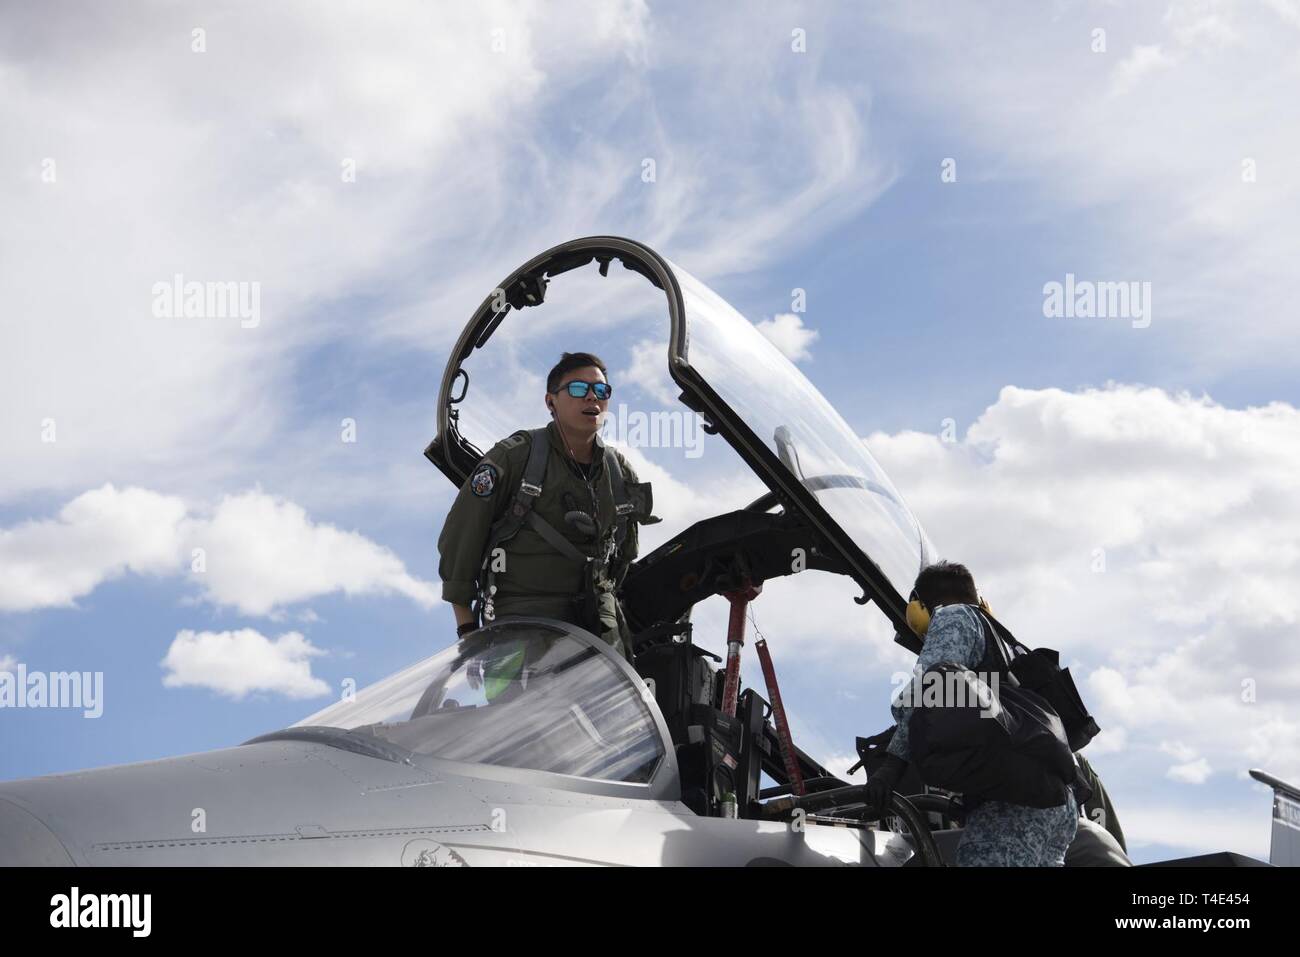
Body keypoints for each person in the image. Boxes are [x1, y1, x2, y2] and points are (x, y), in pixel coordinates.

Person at [437, 351, 654, 658]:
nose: (592, 397)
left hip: (598, 634)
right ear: (550, 401)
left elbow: (623, 558)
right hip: (522, 627)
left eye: (601, 391)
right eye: (578, 389)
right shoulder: (515, 458)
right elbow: (459, 541)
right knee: (518, 708)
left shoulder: (618, 473)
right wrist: (468, 633)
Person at [865, 561, 1078, 866]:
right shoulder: (1005, 643)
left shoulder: (953, 617)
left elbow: (932, 686)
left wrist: (891, 768)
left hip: (1012, 804)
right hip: (1055, 802)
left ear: (919, 608)